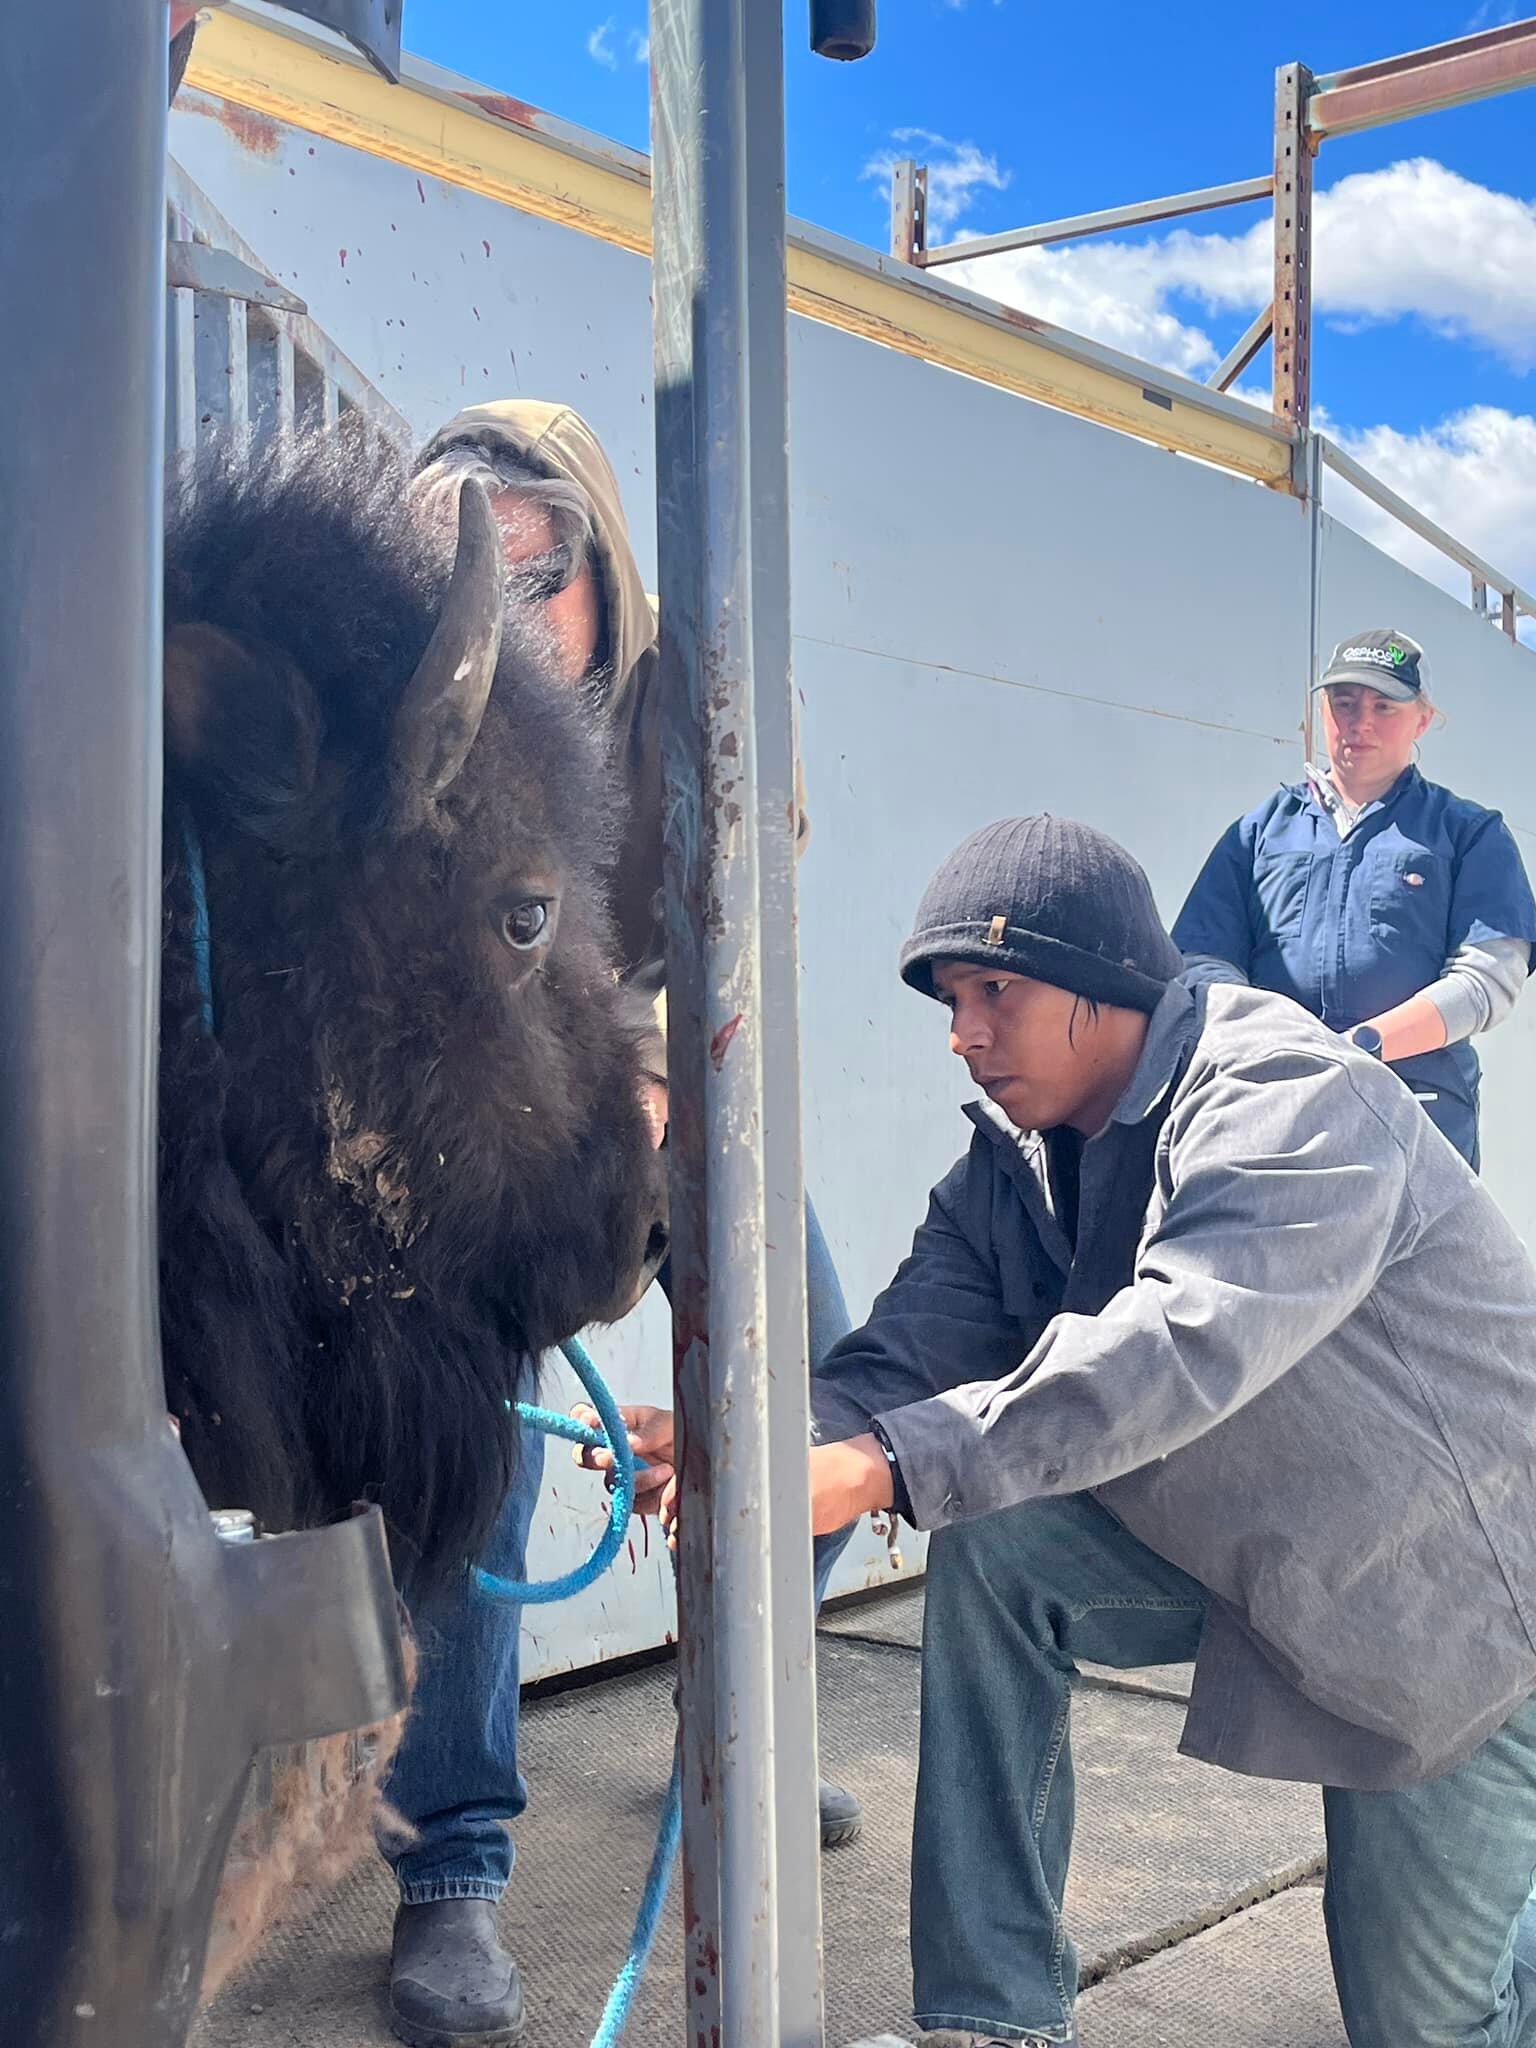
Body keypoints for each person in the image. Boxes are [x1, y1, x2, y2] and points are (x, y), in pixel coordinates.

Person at [606, 815, 1536, 2048]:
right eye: (951, 998)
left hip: (1455, 1594)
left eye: (996, 990)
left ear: (1103, 991)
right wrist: (760, 1449)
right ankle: (993, 2020)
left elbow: (1177, 1342)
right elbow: (895, 1359)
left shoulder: (1292, 1096)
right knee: (997, 1546)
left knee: (1429, 2028)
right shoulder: (1016, 1159)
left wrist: (881, 1463)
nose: (962, 1031)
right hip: (1265, 1545)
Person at [381, 402, 861, 2048]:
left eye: (534, 576)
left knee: (829, 1383)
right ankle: (451, 1862)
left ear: (598, 558)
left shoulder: (710, 697)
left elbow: (741, 932)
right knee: (479, 1451)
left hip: (674, 1098)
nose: (509, 628)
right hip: (497, 1135)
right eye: (468, 591)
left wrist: (646, 1090)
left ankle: (736, 1722)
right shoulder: (430, 723)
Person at [1172, 628, 1535, 1169]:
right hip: (1272, 1105)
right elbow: (1201, 963)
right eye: (1344, 702)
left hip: (1417, 1111)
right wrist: (1271, 1046)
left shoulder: (1469, 833)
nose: (1360, 721)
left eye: (1384, 705)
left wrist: (1359, 1048)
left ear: (1423, 720)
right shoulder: (1256, 834)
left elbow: (1487, 980)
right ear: (1322, 711)